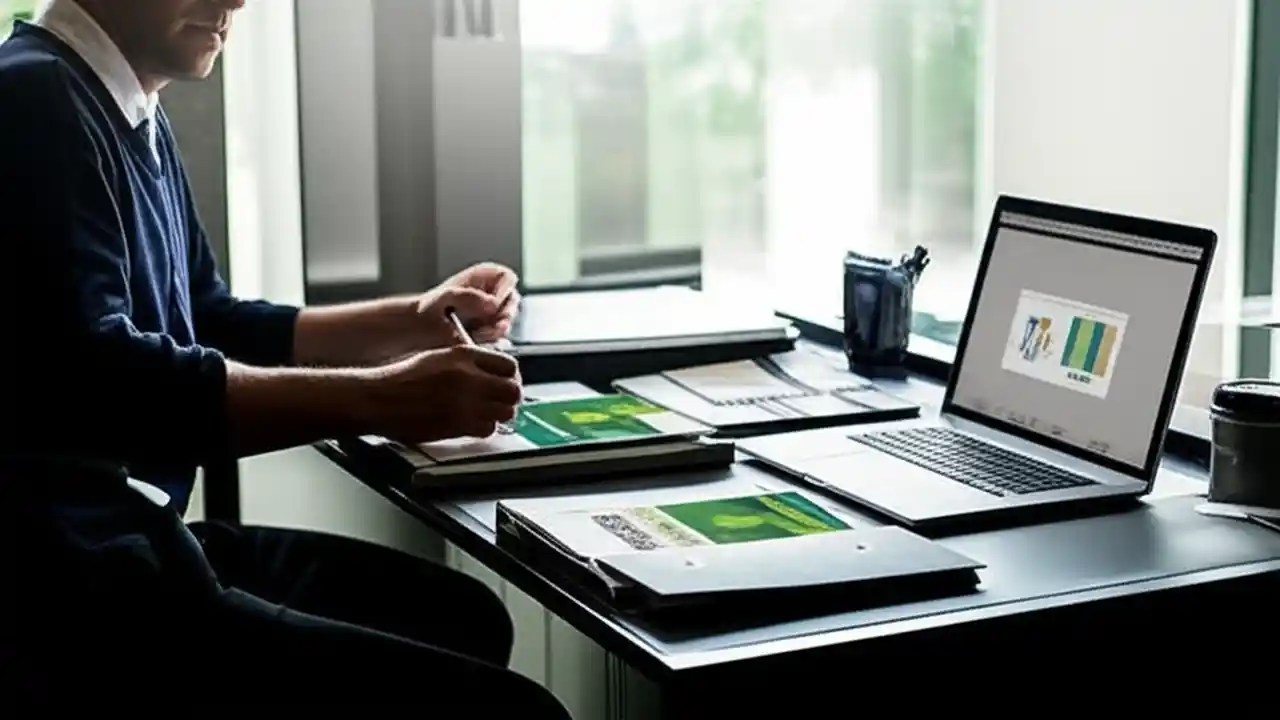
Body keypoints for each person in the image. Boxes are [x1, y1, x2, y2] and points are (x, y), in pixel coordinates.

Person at [0, 0, 568, 713]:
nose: (238, 0)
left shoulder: (123, 105)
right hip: (80, 593)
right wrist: (386, 397)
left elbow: (208, 320)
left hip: (142, 547)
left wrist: (414, 319)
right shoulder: (33, 100)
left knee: (465, 615)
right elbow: (116, 390)